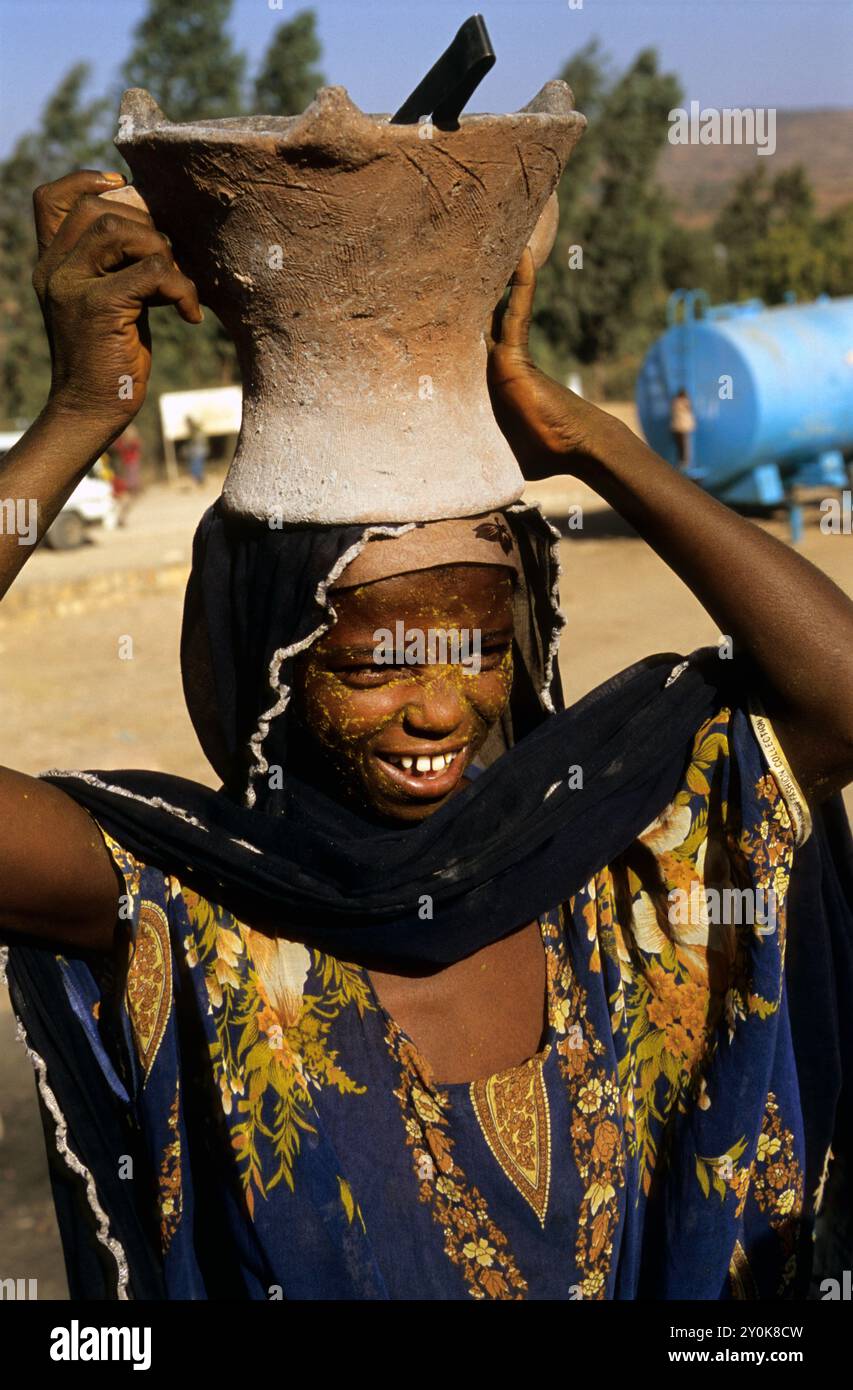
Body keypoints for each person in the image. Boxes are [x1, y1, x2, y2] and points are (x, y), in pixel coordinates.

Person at [1, 170, 852, 1301]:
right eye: (368, 663)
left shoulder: (605, 851)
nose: (442, 709)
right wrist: (75, 418)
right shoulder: (182, 906)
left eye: (484, 650)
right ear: (266, 668)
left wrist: (590, 438)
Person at [670, 387, 697, 472]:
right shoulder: (685, 402)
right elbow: (690, 411)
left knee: (681, 447)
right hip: (683, 428)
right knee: (684, 447)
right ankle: (685, 464)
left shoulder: (675, 402)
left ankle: (682, 464)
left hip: (677, 427)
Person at [184, 415, 209, 485]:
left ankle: (200, 482)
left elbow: (196, 442)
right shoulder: (195, 429)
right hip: (198, 451)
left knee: (196, 467)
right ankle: (200, 482)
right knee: (196, 467)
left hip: (198, 451)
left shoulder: (194, 430)